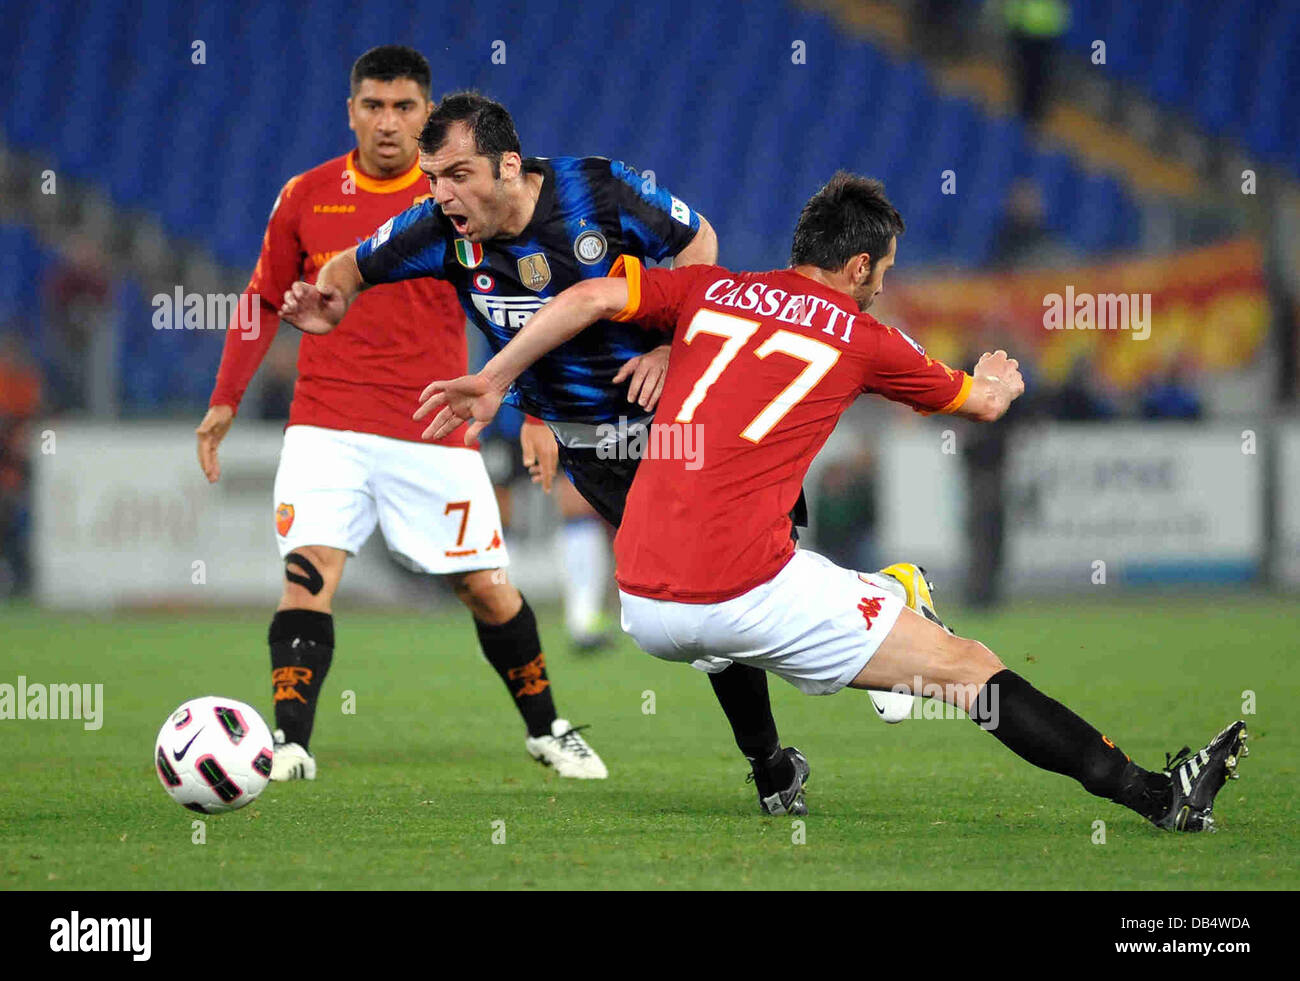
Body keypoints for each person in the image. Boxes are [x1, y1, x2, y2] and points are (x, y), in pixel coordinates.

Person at [417, 172, 1249, 830]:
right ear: (859, 267)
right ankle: (1157, 796)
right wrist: (998, 377)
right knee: (968, 671)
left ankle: (783, 757)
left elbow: (591, 297)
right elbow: (984, 403)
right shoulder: (861, 334)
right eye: (882, 273)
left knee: (752, 566)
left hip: (643, 600)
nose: (882, 288)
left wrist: (494, 377)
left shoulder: (711, 291)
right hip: (744, 596)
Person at [280, 91, 920, 814]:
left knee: (730, 594)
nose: (441, 193)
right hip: (594, 450)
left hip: (676, 421)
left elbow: (700, 244)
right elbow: (348, 271)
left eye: (457, 173)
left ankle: (820, 702)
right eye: (432, 177)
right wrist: (326, 303)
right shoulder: (439, 231)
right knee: (713, 608)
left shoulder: (598, 190)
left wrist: (668, 344)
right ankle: (831, 680)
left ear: (509, 165)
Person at [196, 47, 605, 782]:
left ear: (427, 118)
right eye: (373, 106)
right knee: (308, 575)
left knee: (485, 587)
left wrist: (537, 411)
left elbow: (520, 309)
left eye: (405, 108)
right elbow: (262, 299)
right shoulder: (305, 195)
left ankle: (547, 727)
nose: (388, 123)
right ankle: (291, 743)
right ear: (350, 110)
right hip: (325, 424)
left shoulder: (458, 198)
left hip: (434, 429)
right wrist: (226, 398)